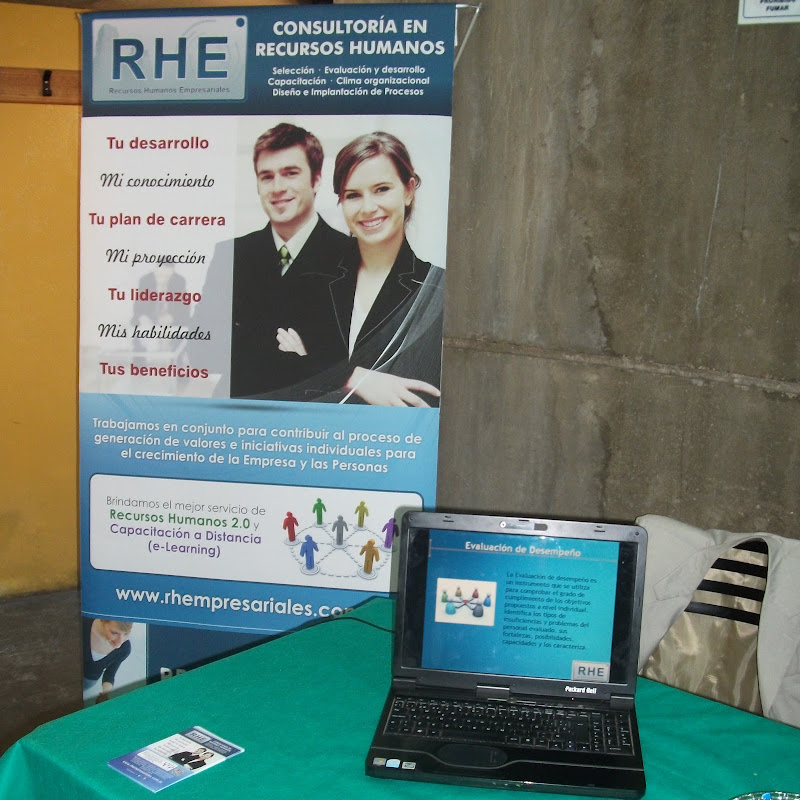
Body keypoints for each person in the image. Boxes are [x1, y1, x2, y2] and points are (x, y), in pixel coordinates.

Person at [270, 132, 445, 407]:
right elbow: (273, 377)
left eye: (382, 189)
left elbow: (426, 397)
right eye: (353, 195)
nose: (368, 208)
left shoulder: (438, 290)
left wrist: (312, 366)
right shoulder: (309, 278)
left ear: (408, 190)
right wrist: (353, 377)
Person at [196, 123, 349, 397]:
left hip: (313, 410)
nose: (277, 188)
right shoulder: (231, 253)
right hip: (240, 406)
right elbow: (201, 351)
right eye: (267, 177)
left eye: (290, 173)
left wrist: (245, 334)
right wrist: (300, 356)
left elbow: (356, 359)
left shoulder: (351, 254)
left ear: (316, 179)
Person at [82, 618, 133, 703]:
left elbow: (110, 674)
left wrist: (105, 694)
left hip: (87, 681)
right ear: (102, 620)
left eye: (126, 634)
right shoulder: (81, 623)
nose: (120, 642)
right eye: (114, 633)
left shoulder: (124, 648)